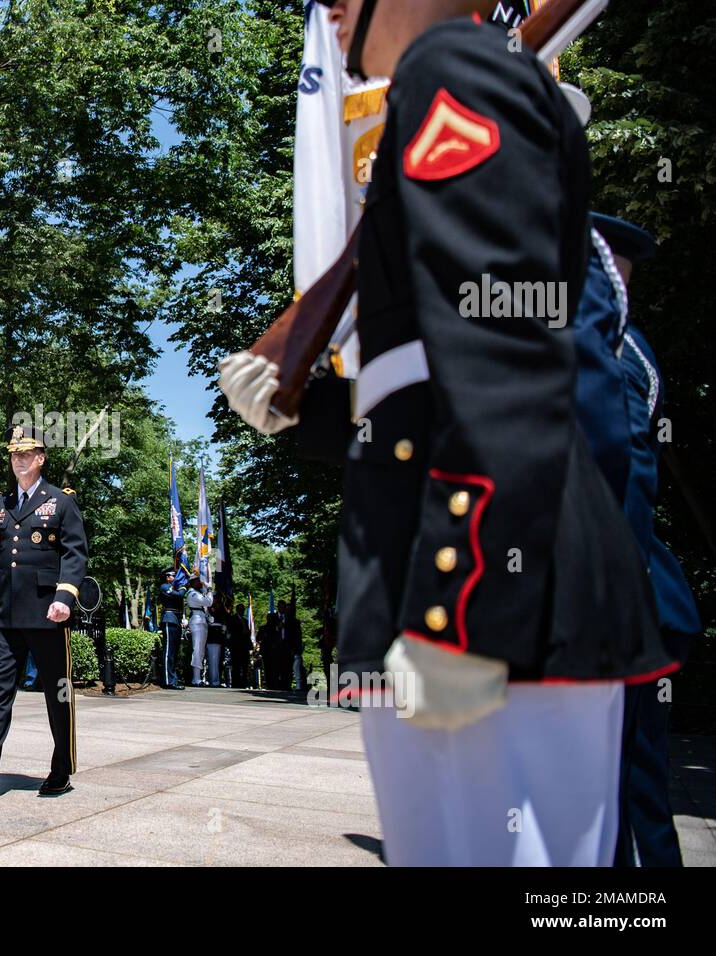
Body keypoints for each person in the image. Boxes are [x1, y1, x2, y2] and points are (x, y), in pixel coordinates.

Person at [293, 0, 675, 865]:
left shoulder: (449, 70)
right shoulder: (452, 77)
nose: (331, 8)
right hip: (460, 570)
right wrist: (306, 404)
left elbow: (507, 350)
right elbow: (428, 376)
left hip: (482, 592)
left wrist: (455, 610)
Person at [570, 212, 702, 866]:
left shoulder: (610, 355)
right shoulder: (634, 349)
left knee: (612, 795)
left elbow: (619, 483)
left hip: (622, 606)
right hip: (648, 601)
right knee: (632, 794)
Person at [0, 424, 88, 801]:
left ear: (41, 458)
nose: (19, 460)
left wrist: (65, 596)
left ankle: (61, 768)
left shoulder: (61, 500)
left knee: (57, 692)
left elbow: (75, 553)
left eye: (26, 454)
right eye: (14, 454)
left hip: (48, 614)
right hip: (7, 617)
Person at [157, 569, 186, 689]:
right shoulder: (164, 587)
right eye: (173, 576)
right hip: (169, 619)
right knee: (168, 652)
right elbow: (179, 595)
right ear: (167, 577)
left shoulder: (174, 587)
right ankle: (168, 681)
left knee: (174, 653)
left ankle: (172, 679)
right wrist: (183, 588)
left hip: (176, 620)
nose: (175, 578)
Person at [186, 576, 211, 685]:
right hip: (197, 621)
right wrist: (209, 590)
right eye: (198, 581)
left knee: (200, 651)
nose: (200, 582)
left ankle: (198, 677)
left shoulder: (198, 592)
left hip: (201, 620)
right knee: (197, 649)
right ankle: (195, 678)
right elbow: (208, 602)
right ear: (192, 582)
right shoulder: (193, 594)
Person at [207, 591, 230, 687]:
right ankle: (214, 681)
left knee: (217, 660)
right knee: (212, 660)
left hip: (217, 637)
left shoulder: (221, 610)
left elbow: (224, 622)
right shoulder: (208, 608)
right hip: (211, 637)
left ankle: (216, 680)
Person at [258, 611, 284, 690]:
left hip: (274, 651)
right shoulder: (264, 628)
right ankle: (270, 684)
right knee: (269, 668)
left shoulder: (276, 628)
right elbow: (258, 638)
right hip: (268, 651)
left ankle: (272, 684)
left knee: (272, 669)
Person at [227, 603, 251, 689]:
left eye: (243, 609)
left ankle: (244, 683)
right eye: (240, 609)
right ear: (237, 610)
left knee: (245, 665)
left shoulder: (245, 620)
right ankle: (235, 683)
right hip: (236, 646)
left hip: (244, 646)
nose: (242, 611)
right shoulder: (232, 619)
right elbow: (231, 632)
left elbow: (248, 633)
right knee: (236, 666)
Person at [283, 600, 304, 690]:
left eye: (289, 610)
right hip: (284, 649)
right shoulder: (281, 621)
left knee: (296, 668)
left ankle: (299, 686)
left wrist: (295, 648)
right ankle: (286, 685)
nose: (288, 612)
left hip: (294, 649)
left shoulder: (295, 622)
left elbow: (298, 636)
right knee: (286, 670)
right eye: (286, 610)